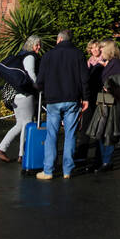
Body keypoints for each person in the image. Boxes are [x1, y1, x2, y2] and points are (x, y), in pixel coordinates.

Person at [36, 29, 89, 180]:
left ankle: (48, 170)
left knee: (51, 134)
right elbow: (84, 78)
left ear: (58, 39)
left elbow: (41, 80)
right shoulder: (78, 54)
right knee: (70, 134)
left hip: (53, 99)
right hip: (72, 99)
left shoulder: (48, 55)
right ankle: (67, 170)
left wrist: (41, 90)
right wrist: (86, 98)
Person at [0, 35, 41, 163]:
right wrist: (39, 87)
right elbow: (31, 74)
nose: (39, 47)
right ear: (31, 45)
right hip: (25, 94)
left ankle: (1, 148)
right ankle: (22, 154)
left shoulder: (20, 55)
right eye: (37, 45)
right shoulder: (30, 56)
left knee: (20, 123)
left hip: (15, 94)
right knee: (27, 123)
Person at [85, 40, 120, 172]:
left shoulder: (116, 65)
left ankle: (106, 162)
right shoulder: (108, 64)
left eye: (102, 49)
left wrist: (109, 87)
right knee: (101, 132)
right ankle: (99, 160)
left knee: (108, 133)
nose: (100, 52)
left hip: (111, 105)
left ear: (109, 50)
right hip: (103, 103)